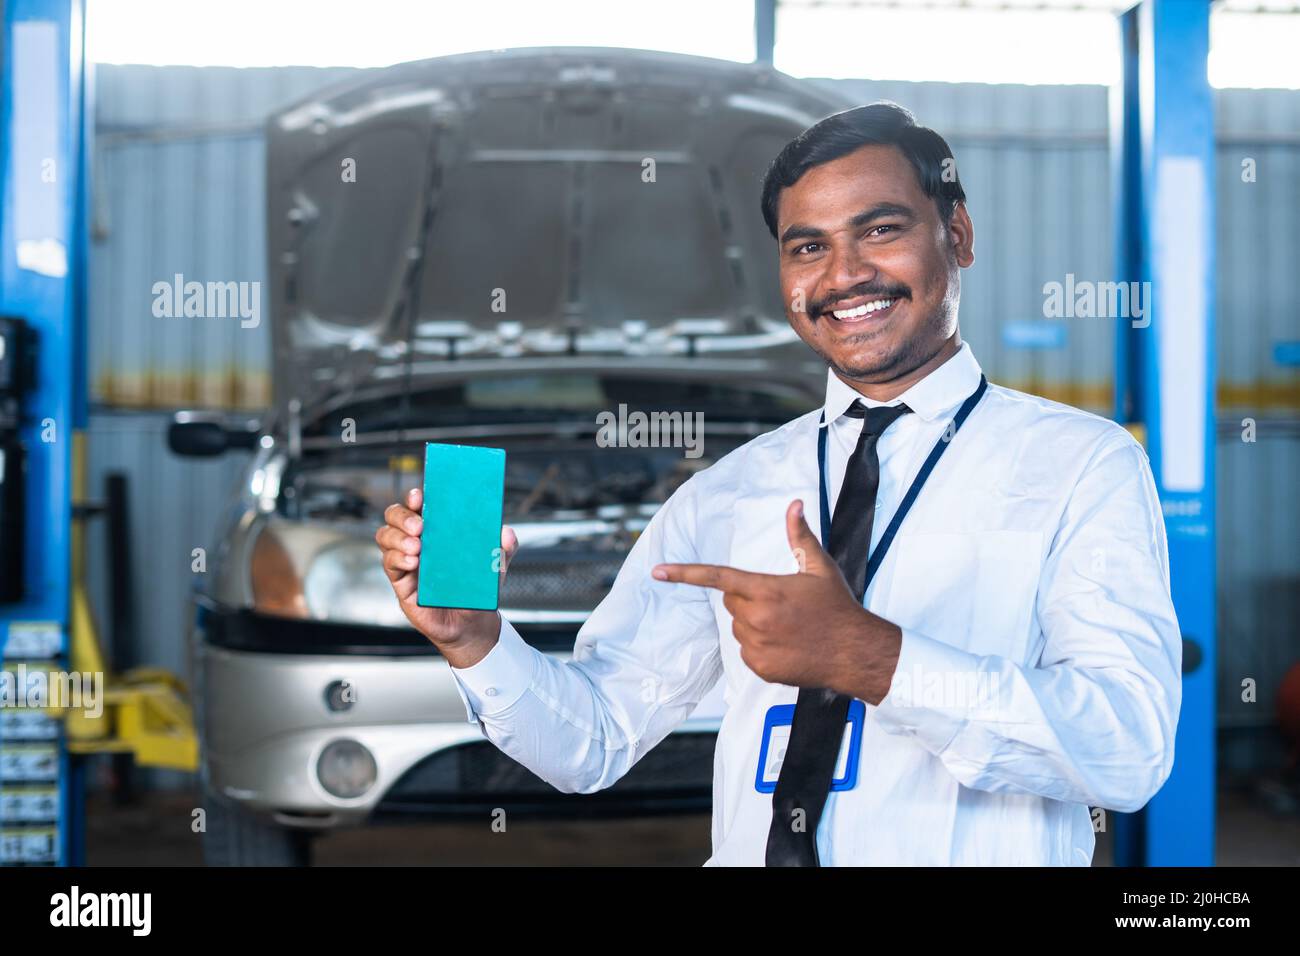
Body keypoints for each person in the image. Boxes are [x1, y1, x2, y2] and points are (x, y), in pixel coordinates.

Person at [375, 102, 1181, 866]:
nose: (846, 274)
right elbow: (593, 741)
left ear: (958, 235)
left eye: (881, 230)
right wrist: (477, 643)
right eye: (808, 247)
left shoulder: (1082, 465)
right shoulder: (728, 493)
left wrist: (872, 658)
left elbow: (1128, 749)